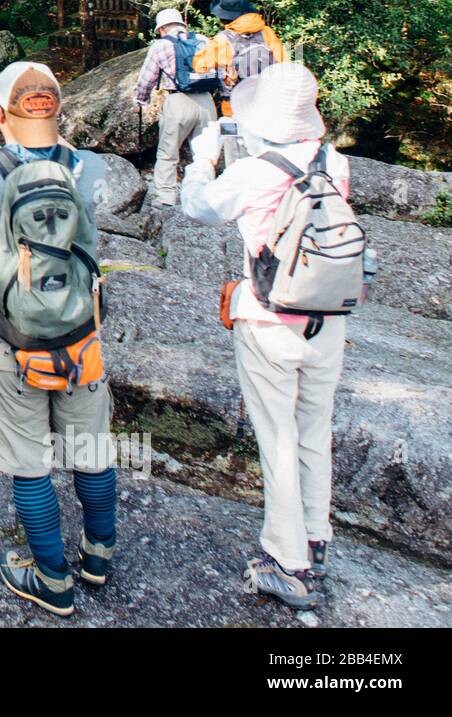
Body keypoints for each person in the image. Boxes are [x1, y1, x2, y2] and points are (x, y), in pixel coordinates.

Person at [0, 62, 116, 618]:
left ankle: (51, 578)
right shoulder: (92, 167)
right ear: (58, 108)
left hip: (9, 339)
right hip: (81, 338)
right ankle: (98, 555)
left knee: (29, 460)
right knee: (91, 449)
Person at [180, 62, 357, 611]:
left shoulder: (255, 172)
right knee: (312, 429)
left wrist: (202, 160)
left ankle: (288, 562)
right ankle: (315, 534)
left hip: (267, 321)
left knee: (276, 437)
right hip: (327, 319)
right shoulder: (337, 161)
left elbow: (198, 206)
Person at [191, 0, 285, 165]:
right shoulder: (267, 34)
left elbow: (200, 67)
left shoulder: (222, 40)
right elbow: (283, 64)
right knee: (264, 156)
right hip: (266, 107)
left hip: (232, 109)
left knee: (234, 158)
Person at [134, 8, 216, 207]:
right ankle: (207, 199)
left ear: (162, 28)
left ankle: (166, 198)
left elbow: (147, 78)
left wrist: (140, 100)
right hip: (206, 101)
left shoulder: (161, 45)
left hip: (178, 101)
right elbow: (218, 71)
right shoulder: (203, 40)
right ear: (182, 24)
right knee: (205, 154)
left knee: (168, 153)